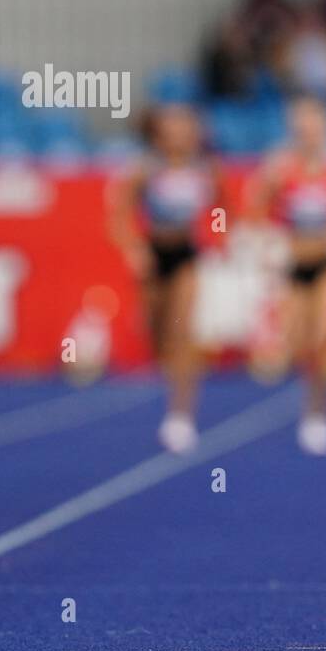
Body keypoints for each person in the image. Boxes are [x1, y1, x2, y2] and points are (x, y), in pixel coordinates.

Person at [247, 95, 326, 454]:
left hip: (325, 266)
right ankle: (308, 406)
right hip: (293, 266)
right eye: (302, 129)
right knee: (297, 342)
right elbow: (254, 213)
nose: (309, 135)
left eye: (314, 128)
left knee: (322, 338)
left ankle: (318, 415)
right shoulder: (279, 170)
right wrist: (268, 246)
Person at [109, 104, 224, 453]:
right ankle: (170, 386)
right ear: (158, 134)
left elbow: (224, 208)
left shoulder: (205, 170)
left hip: (186, 255)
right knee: (157, 336)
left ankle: (181, 415)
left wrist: (218, 236)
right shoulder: (146, 170)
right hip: (154, 256)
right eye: (172, 127)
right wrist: (134, 249)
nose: (180, 133)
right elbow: (118, 215)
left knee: (182, 332)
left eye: (185, 126)